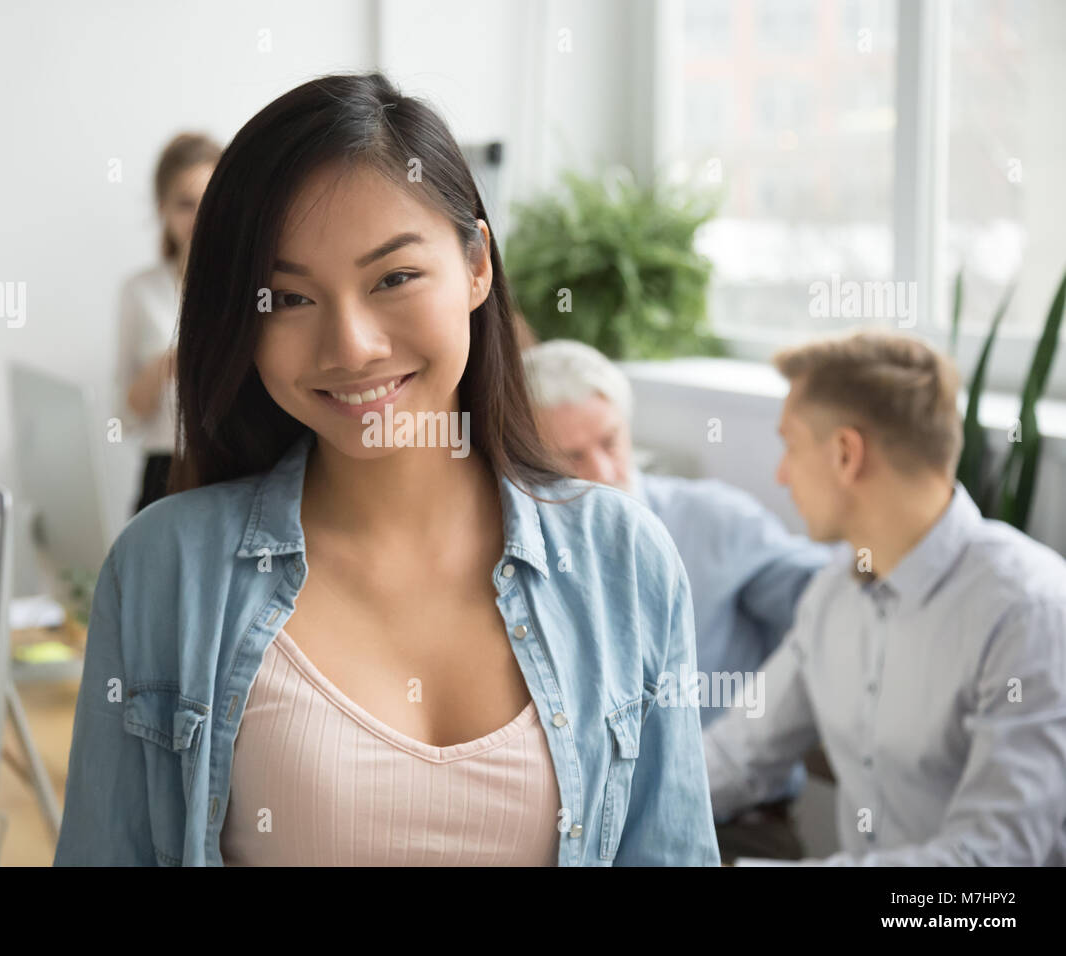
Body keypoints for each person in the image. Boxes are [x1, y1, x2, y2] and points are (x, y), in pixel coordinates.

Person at [55, 72, 719, 866]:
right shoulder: (166, 568)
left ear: (476, 266)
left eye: (394, 278)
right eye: (289, 300)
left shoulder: (625, 562)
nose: (351, 346)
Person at [704, 330, 1066, 865]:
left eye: (791, 445)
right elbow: (737, 756)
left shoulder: (1029, 611)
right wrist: (591, 816)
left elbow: (992, 863)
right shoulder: (834, 590)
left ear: (847, 453)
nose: (781, 474)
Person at [522, 339, 830, 861]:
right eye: (570, 456)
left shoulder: (715, 522)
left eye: (610, 441)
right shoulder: (522, 562)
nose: (600, 470)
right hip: (581, 839)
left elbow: (833, 598)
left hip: (729, 826)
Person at [116, 131, 223, 514]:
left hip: (235, 470)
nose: (199, 217)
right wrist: (172, 361)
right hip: (165, 471)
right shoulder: (139, 292)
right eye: (185, 204)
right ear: (162, 208)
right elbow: (126, 412)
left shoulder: (252, 286)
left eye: (208, 200)